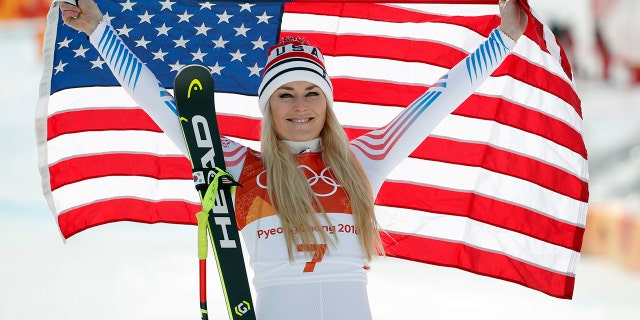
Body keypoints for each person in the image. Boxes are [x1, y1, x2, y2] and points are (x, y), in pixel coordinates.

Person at [59, 0, 527, 319]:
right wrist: (98, 30)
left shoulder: (366, 159)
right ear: (268, 106)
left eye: (311, 93)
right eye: (285, 94)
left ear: (326, 103)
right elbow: (161, 102)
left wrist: (503, 39)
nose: (300, 106)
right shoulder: (240, 167)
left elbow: (440, 99)